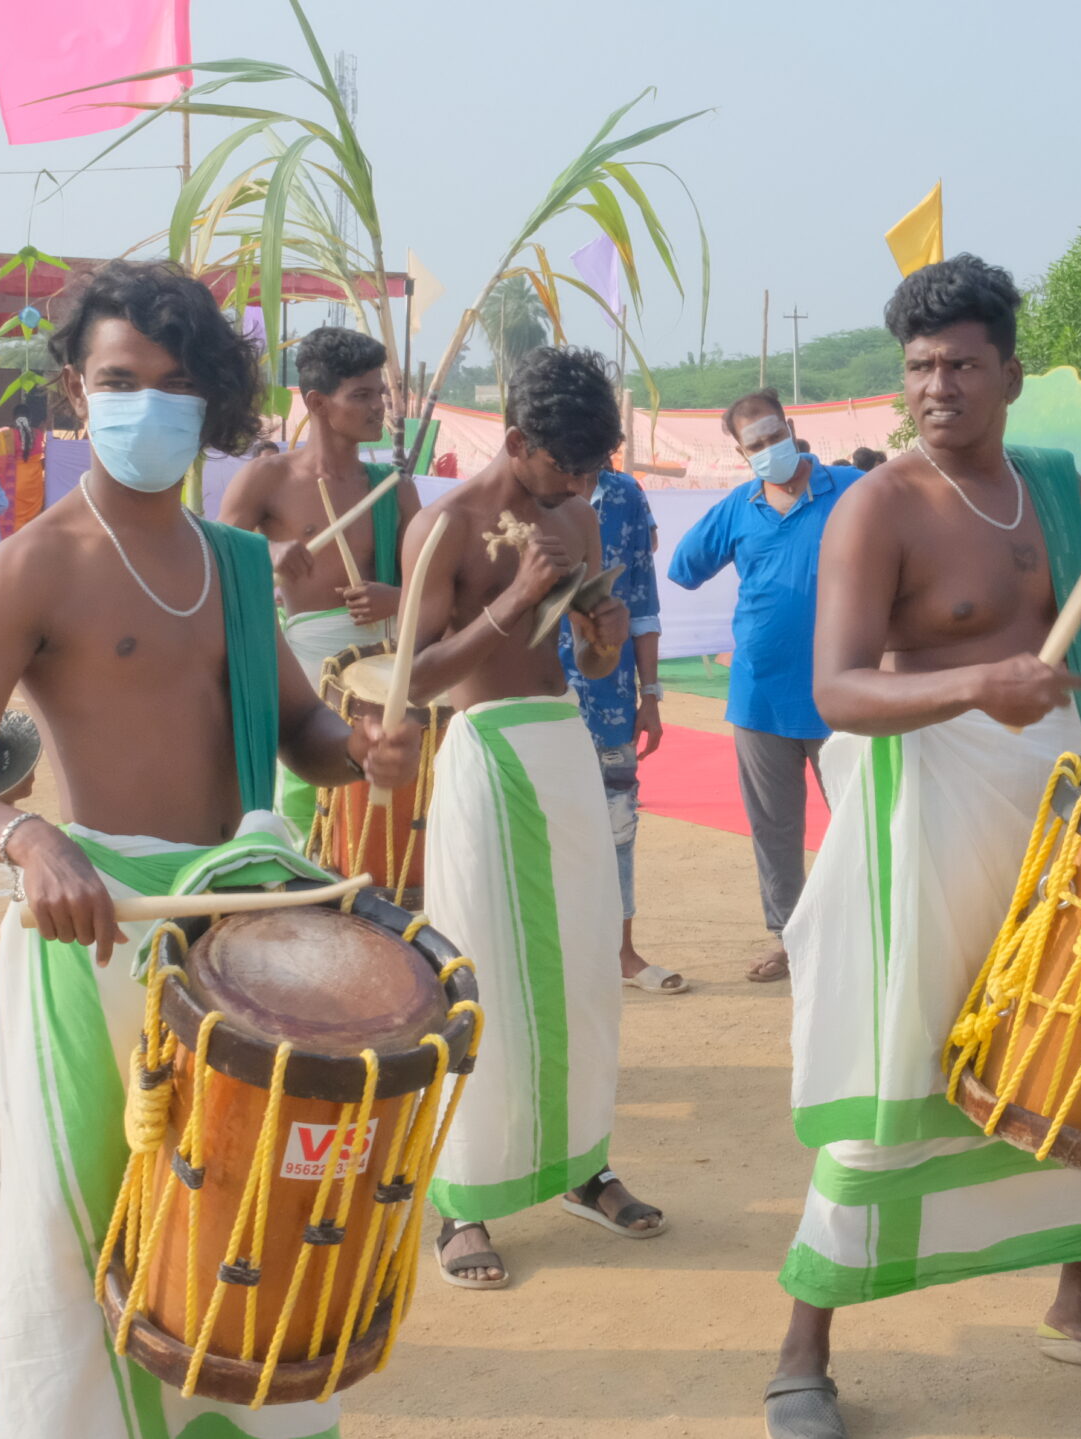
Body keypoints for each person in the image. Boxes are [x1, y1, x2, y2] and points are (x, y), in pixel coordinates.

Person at [0, 259, 421, 1439]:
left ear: (210, 403)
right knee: (88, 1217)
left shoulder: (234, 566)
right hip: (97, 926)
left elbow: (298, 729)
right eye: (122, 380)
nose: (148, 406)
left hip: (242, 929)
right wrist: (28, 837)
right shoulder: (28, 565)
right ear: (78, 392)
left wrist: (361, 746)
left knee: (247, 1217)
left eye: (177, 385)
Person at [762, 256, 1081, 1439]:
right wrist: (977, 682)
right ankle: (804, 1346)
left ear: (1007, 370)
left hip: (1060, 805)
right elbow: (836, 689)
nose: (935, 386)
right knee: (905, 1063)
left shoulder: (1054, 488)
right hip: (929, 811)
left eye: (958, 363)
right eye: (917, 368)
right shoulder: (878, 505)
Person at [392, 344, 660, 1289]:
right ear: (514, 441)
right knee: (482, 975)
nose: (581, 486)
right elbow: (412, 679)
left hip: (563, 748)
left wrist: (602, 639)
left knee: (586, 970)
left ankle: (584, 1164)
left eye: (593, 470)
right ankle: (461, 1201)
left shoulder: (579, 516)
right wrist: (512, 599)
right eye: (566, 467)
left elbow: (583, 663)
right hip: (485, 752)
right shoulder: (444, 526)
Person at [669, 390, 860, 982]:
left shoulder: (852, 488)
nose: (768, 449)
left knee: (860, 821)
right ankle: (791, 938)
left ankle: (864, 933)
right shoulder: (738, 506)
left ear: (792, 428)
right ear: (739, 452)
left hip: (844, 693)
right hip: (759, 694)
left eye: (774, 436)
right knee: (775, 829)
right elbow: (685, 566)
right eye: (754, 444)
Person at [219, 325, 421, 835]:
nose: (379, 407)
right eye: (362, 395)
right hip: (303, 666)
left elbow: (432, 589)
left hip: (381, 666)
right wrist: (266, 553)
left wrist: (393, 597)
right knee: (304, 796)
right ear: (317, 402)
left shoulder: (394, 489)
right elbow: (213, 562)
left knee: (373, 805)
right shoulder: (269, 480)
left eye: (381, 393)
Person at [557, 461, 685, 993]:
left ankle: (622, 954)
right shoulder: (526, 493)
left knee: (619, 824)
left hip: (611, 698)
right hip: (535, 697)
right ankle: (557, 955)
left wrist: (650, 694)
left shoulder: (626, 495)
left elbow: (642, 602)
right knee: (545, 825)